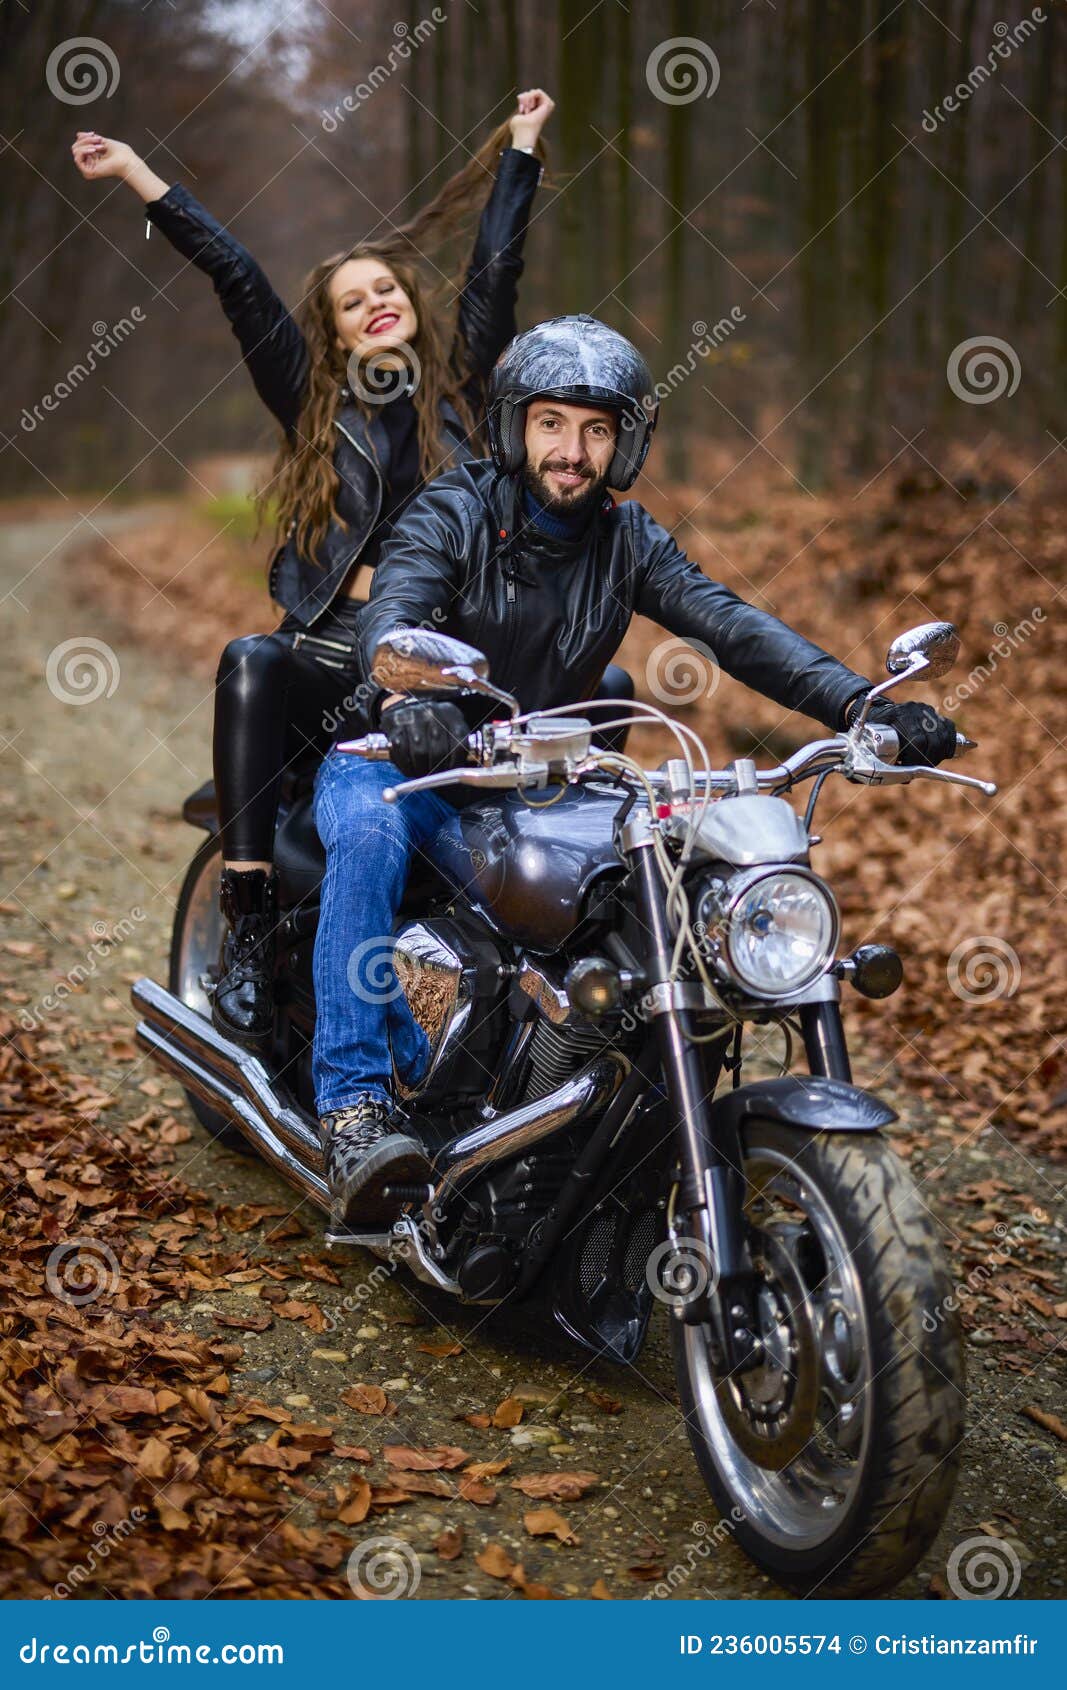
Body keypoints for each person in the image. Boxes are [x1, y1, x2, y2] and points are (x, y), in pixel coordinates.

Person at [309, 314, 962, 1230]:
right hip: (398, 760)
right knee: (369, 830)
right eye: (551, 424)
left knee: (652, 868)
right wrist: (403, 696)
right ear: (514, 427)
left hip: (534, 779)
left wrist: (861, 706)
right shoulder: (453, 510)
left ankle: (595, 1115)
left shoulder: (626, 540)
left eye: (595, 430)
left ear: (623, 444)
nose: (571, 452)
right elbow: (397, 607)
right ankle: (353, 1109)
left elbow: (730, 625)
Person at [71, 99, 641, 1049]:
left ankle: (572, 913)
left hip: (465, 662)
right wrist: (137, 173)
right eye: (351, 300)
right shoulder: (311, 402)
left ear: (411, 306)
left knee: (611, 684)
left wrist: (522, 148)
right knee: (251, 660)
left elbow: (495, 270)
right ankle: (248, 922)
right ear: (333, 333)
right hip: (343, 660)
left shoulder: (468, 399)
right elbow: (237, 277)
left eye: (387, 288)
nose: (376, 302)